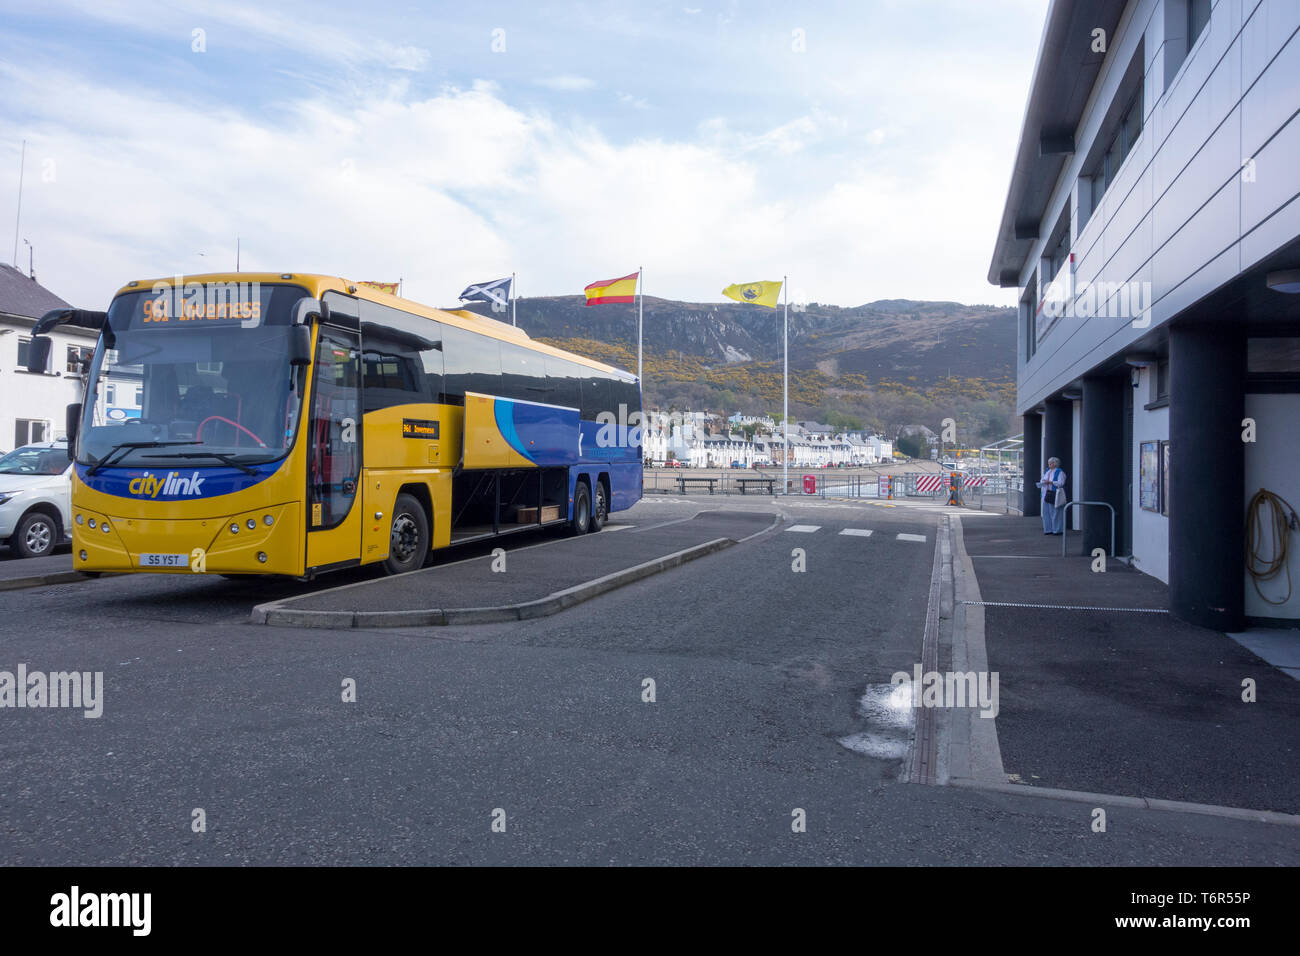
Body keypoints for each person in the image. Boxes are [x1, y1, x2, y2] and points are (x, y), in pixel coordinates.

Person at [1038, 456, 1067, 534]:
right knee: (1046, 512)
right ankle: (1048, 529)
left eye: (1051, 463)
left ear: (1055, 464)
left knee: (1056, 512)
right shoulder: (1047, 471)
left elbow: (1061, 483)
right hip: (1046, 494)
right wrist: (1043, 482)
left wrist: (1051, 482)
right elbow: (1042, 479)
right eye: (1049, 463)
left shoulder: (1060, 472)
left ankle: (1057, 530)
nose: (1049, 464)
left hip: (1054, 494)